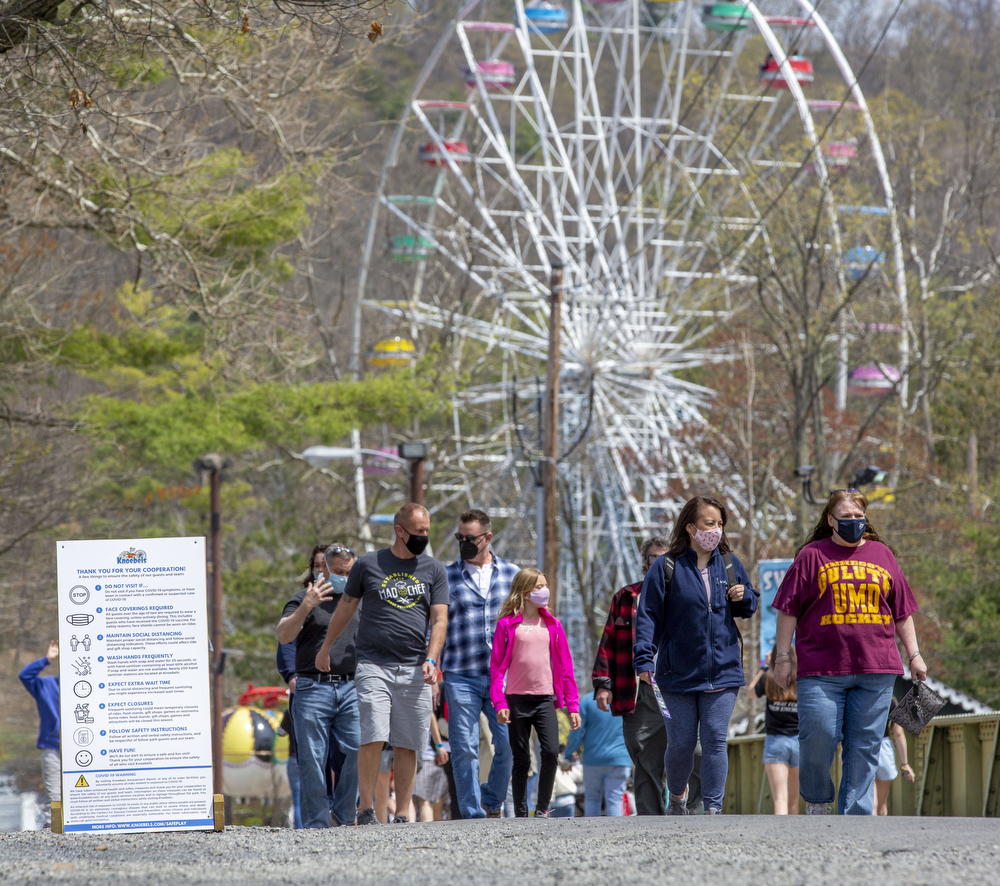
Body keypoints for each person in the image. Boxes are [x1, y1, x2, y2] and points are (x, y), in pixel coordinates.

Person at [772, 489, 926, 816]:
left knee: (865, 746)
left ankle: (856, 816)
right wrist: (782, 657)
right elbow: (788, 610)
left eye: (859, 516)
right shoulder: (811, 556)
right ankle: (817, 801)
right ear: (830, 520)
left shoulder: (883, 555)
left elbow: (902, 612)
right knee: (818, 736)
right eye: (846, 517)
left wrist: (914, 655)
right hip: (821, 670)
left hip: (876, 667)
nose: (853, 522)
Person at [315, 503, 449, 826]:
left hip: (415, 667)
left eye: (427, 531)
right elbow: (346, 608)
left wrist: (432, 658)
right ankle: (365, 808)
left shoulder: (434, 569)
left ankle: (401, 812)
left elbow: (440, 620)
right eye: (419, 531)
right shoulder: (368, 564)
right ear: (399, 531)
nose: (424, 536)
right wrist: (326, 647)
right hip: (373, 664)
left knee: (408, 742)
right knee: (373, 734)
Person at [634, 495, 759, 815]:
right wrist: (644, 658)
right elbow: (648, 616)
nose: (716, 530)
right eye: (709, 523)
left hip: (723, 671)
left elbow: (748, 606)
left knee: (715, 740)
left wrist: (745, 596)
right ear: (690, 527)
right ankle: (677, 798)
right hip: (677, 674)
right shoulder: (666, 567)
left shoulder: (730, 564)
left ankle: (713, 808)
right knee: (681, 744)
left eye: (720, 524)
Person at [442, 508, 519, 819]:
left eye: (470, 538)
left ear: (487, 537)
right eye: (459, 538)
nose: (463, 543)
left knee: (509, 745)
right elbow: (436, 624)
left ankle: (492, 799)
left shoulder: (512, 574)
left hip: (502, 676)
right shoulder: (446, 576)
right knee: (465, 747)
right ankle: (472, 814)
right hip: (460, 673)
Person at [277, 543, 361, 827]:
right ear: (323, 568)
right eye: (338, 572)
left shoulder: (358, 599)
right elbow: (283, 635)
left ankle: (343, 816)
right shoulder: (303, 598)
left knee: (358, 750)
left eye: (349, 572)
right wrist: (306, 607)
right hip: (313, 688)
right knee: (312, 760)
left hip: (351, 687)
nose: (344, 577)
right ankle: (316, 824)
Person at [490, 568, 580, 818]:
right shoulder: (506, 625)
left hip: (545, 700)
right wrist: (499, 703)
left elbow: (566, 667)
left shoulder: (553, 625)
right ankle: (521, 812)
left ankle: (542, 808)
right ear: (525, 592)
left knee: (550, 752)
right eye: (539, 586)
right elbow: (496, 668)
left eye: (545, 585)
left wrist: (573, 706)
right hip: (516, 700)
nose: (545, 591)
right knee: (521, 759)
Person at [592, 535, 671, 815]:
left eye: (665, 558)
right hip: (640, 688)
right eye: (653, 558)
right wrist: (603, 685)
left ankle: (692, 815)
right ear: (644, 562)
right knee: (645, 755)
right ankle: (651, 820)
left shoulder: (689, 594)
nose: (659, 563)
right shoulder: (626, 597)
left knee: (692, 752)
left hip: (680, 687)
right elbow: (608, 644)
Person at [562, 690, 633, 816]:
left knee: (592, 798)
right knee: (615, 798)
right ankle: (617, 829)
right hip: (620, 758)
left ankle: (591, 829)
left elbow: (576, 730)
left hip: (593, 758)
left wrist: (568, 755)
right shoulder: (625, 699)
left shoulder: (587, 700)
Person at [748, 648, 799, 814]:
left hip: (776, 742)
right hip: (799, 743)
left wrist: (765, 666)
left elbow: (750, 691)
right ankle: (795, 831)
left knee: (780, 799)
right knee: (793, 803)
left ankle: (780, 831)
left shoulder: (769, 679)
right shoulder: (800, 680)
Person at [19, 641, 60, 810]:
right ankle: (55, 824)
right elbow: (25, 676)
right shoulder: (47, 685)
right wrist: (47, 659)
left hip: (84, 749)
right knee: (55, 797)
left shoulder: (93, 688)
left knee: (83, 793)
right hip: (52, 748)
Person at [874, 695, 915, 815]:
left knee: (870, 804)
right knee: (881, 806)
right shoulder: (891, 699)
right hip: (884, 751)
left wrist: (841, 753)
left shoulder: (861, 695)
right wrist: (905, 764)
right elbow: (898, 733)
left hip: (864, 747)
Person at [413, 715, 450, 822]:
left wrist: (439, 746)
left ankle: (426, 830)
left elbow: (431, 716)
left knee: (424, 802)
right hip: (436, 758)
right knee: (437, 802)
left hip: (426, 758)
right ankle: (436, 831)